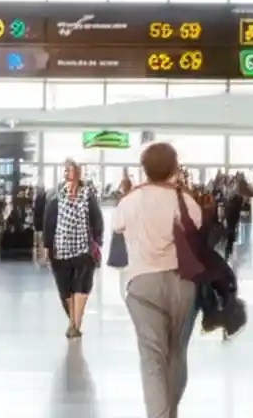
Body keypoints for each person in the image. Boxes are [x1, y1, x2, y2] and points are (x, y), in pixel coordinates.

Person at [114, 143, 204, 418]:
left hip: (143, 286)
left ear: (145, 169)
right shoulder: (183, 200)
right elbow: (198, 225)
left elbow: (117, 225)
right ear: (175, 168)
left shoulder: (130, 200)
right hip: (183, 284)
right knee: (177, 353)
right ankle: (170, 411)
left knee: (153, 357)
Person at [43, 160, 103, 339]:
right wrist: (47, 247)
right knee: (71, 288)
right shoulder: (57, 197)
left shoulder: (60, 197)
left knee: (76, 287)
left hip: (78, 250)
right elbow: (49, 224)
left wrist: (97, 242)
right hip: (64, 250)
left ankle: (73, 324)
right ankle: (74, 323)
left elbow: (97, 221)